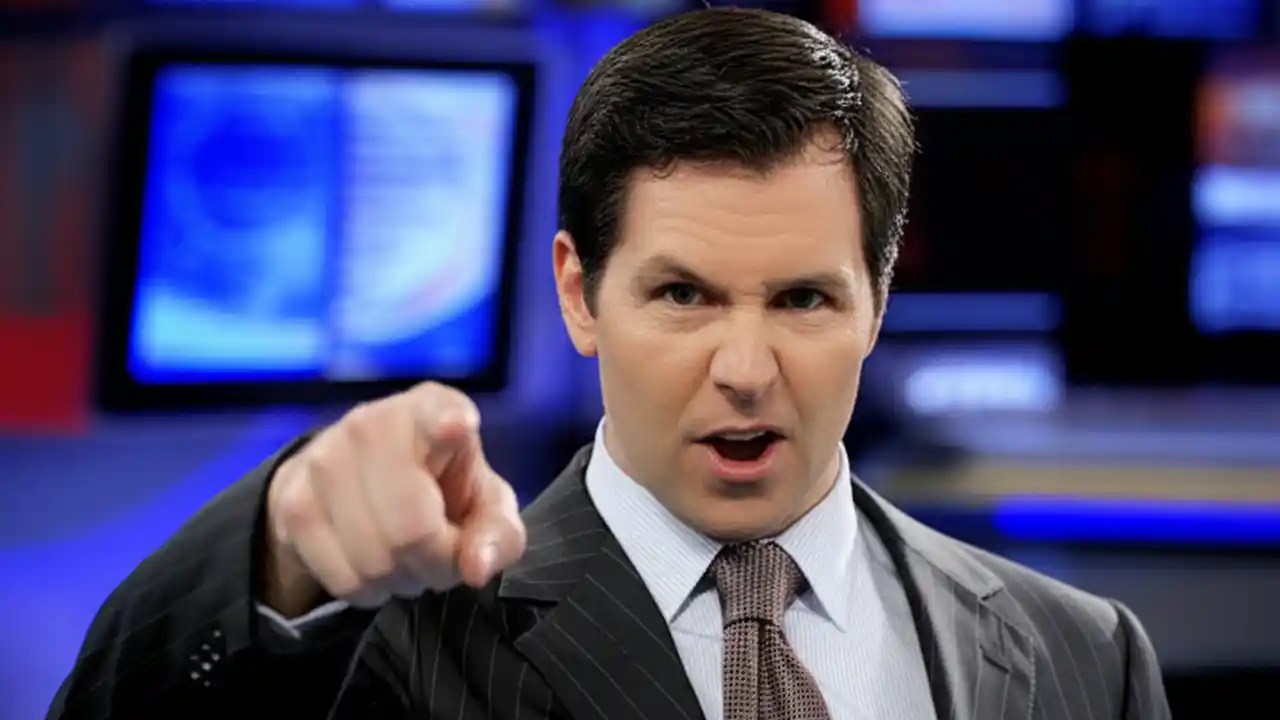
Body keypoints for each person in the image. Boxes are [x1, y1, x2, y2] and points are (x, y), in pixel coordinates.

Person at [48, 8, 1170, 720]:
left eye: (803, 298)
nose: (744, 367)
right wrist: (283, 541)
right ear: (579, 292)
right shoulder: (397, 653)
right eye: (681, 295)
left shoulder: (1083, 658)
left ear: (875, 301)